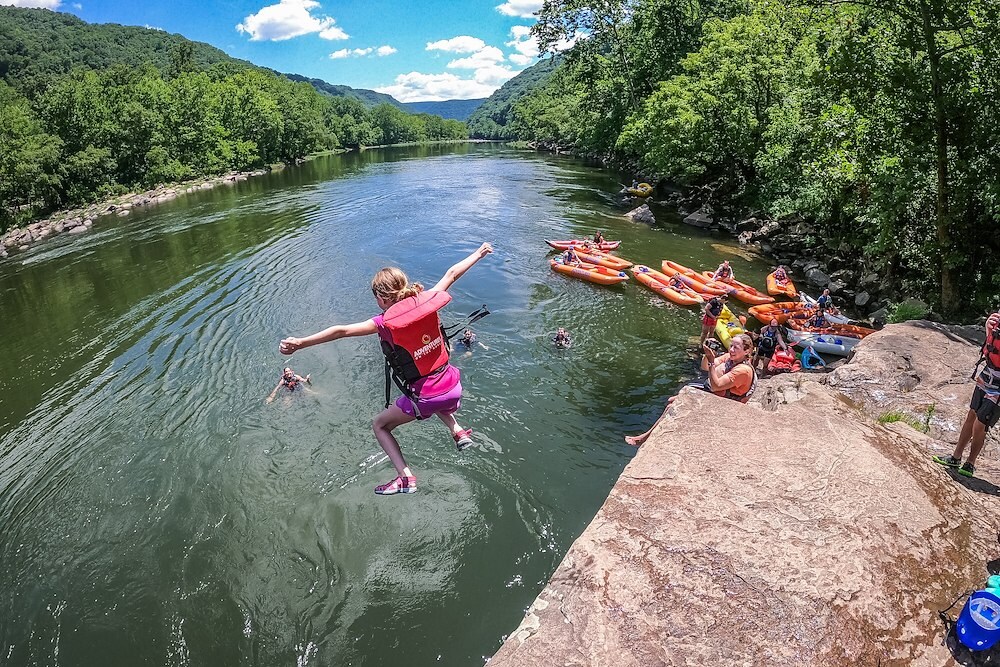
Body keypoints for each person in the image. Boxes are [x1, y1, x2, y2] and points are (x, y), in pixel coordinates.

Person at [279, 242, 493, 496]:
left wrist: (301, 343)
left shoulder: (383, 323)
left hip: (426, 397)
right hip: (453, 387)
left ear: (380, 298)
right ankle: (457, 431)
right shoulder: (430, 299)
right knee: (430, 394)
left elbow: (341, 331)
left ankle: (405, 478)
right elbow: (451, 274)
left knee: (380, 425)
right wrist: (478, 254)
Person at [625, 333, 757, 446]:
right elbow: (705, 367)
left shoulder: (743, 370)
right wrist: (707, 355)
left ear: (746, 351)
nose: (732, 349)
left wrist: (712, 361)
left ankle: (644, 438)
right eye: (731, 345)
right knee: (672, 400)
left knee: (672, 406)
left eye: (736, 347)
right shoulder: (730, 358)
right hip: (714, 392)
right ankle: (648, 436)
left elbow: (716, 385)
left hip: (725, 403)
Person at [933, 312, 1000, 477]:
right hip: (987, 375)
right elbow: (991, 346)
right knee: (971, 415)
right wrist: (988, 329)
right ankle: (955, 457)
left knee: (981, 423)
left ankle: (970, 463)